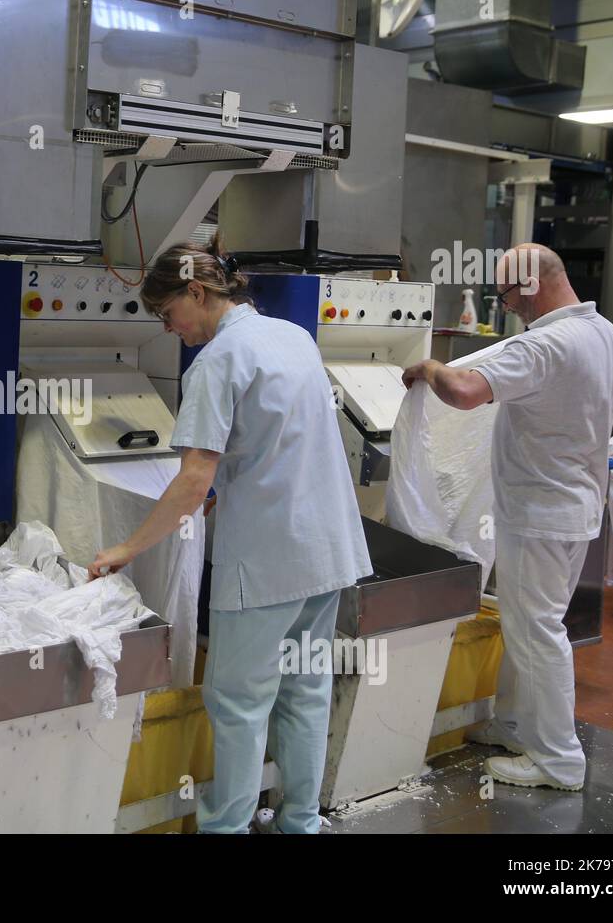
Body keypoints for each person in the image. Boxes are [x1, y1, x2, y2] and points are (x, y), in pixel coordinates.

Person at [91, 237, 373, 833]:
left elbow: (193, 480)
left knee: (239, 704)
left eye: (168, 314)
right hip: (327, 554)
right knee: (304, 691)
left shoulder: (218, 360)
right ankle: (298, 821)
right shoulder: (292, 337)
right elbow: (278, 444)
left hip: (268, 563)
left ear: (196, 291)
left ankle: (226, 828)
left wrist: (125, 548)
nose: (170, 329)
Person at [401, 243, 613, 792]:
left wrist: (429, 365)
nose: (507, 308)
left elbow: (462, 392)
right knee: (524, 621)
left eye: (504, 296)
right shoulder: (605, 333)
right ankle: (513, 723)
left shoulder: (545, 344)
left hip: (540, 511)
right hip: (575, 505)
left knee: (538, 631)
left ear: (528, 287)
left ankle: (557, 760)